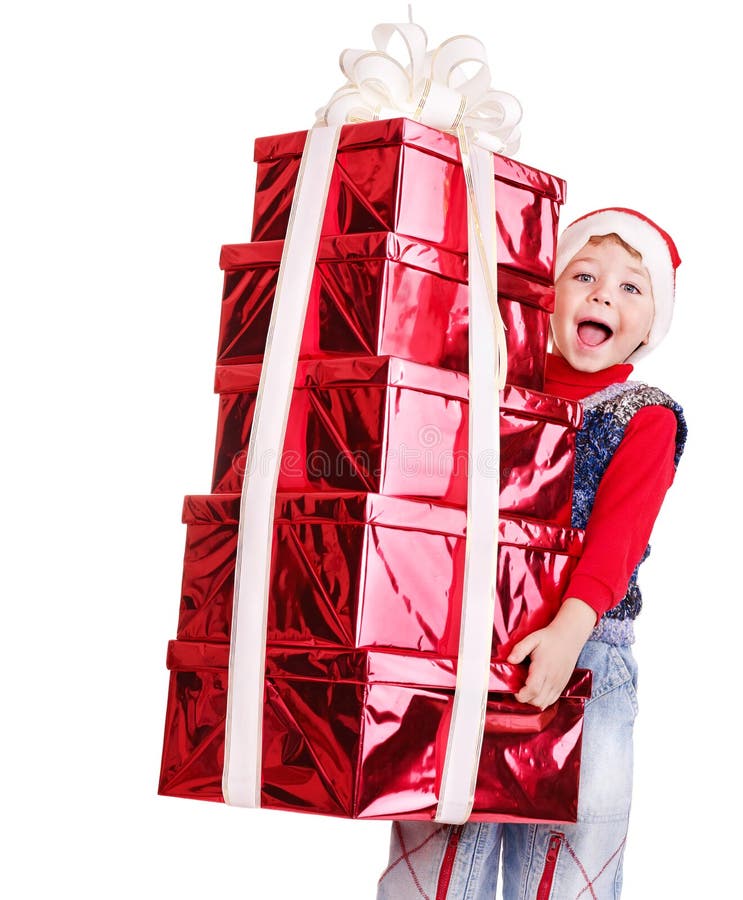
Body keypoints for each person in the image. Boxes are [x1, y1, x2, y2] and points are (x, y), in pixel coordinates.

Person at [375, 207, 689, 899]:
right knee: (437, 848)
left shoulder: (643, 414)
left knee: (568, 859)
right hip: (466, 649)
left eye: (631, 288)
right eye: (583, 274)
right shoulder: (491, 393)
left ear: (648, 324)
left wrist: (567, 630)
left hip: (583, 648)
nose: (603, 293)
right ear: (547, 295)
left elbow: (618, 540)